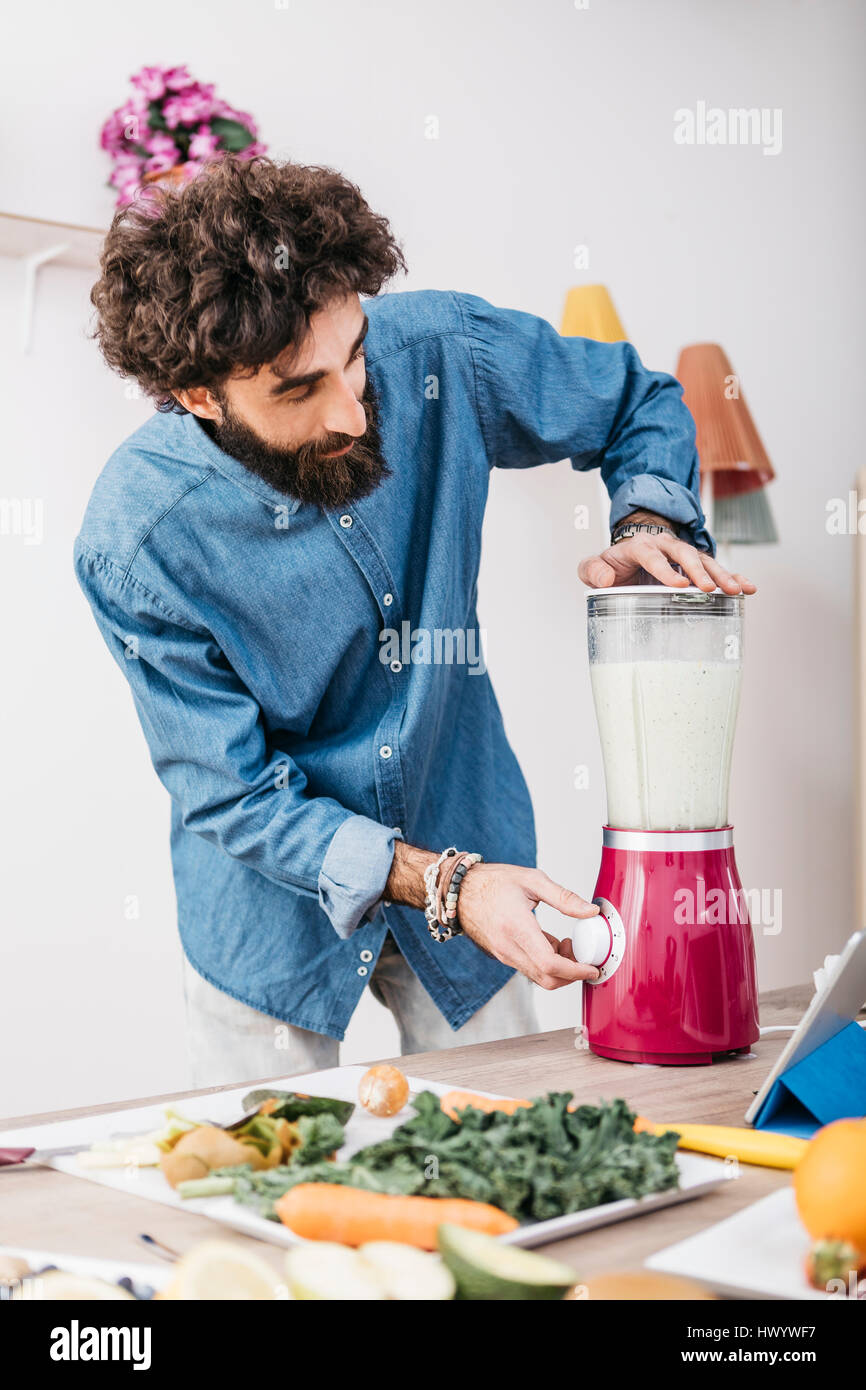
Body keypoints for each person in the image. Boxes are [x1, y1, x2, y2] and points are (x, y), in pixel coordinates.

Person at [76, 156, 755, 1086]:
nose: (354, 412)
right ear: (199, 396)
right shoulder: (137, 539)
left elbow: (635, 398)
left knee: (513, 1153)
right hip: (268, 915)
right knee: (260, 1184)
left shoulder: (440, 350)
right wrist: (442, 883)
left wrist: (647, 523)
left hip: (471, 832)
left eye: (352, 355)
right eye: (296, 389)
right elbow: (230, 792)